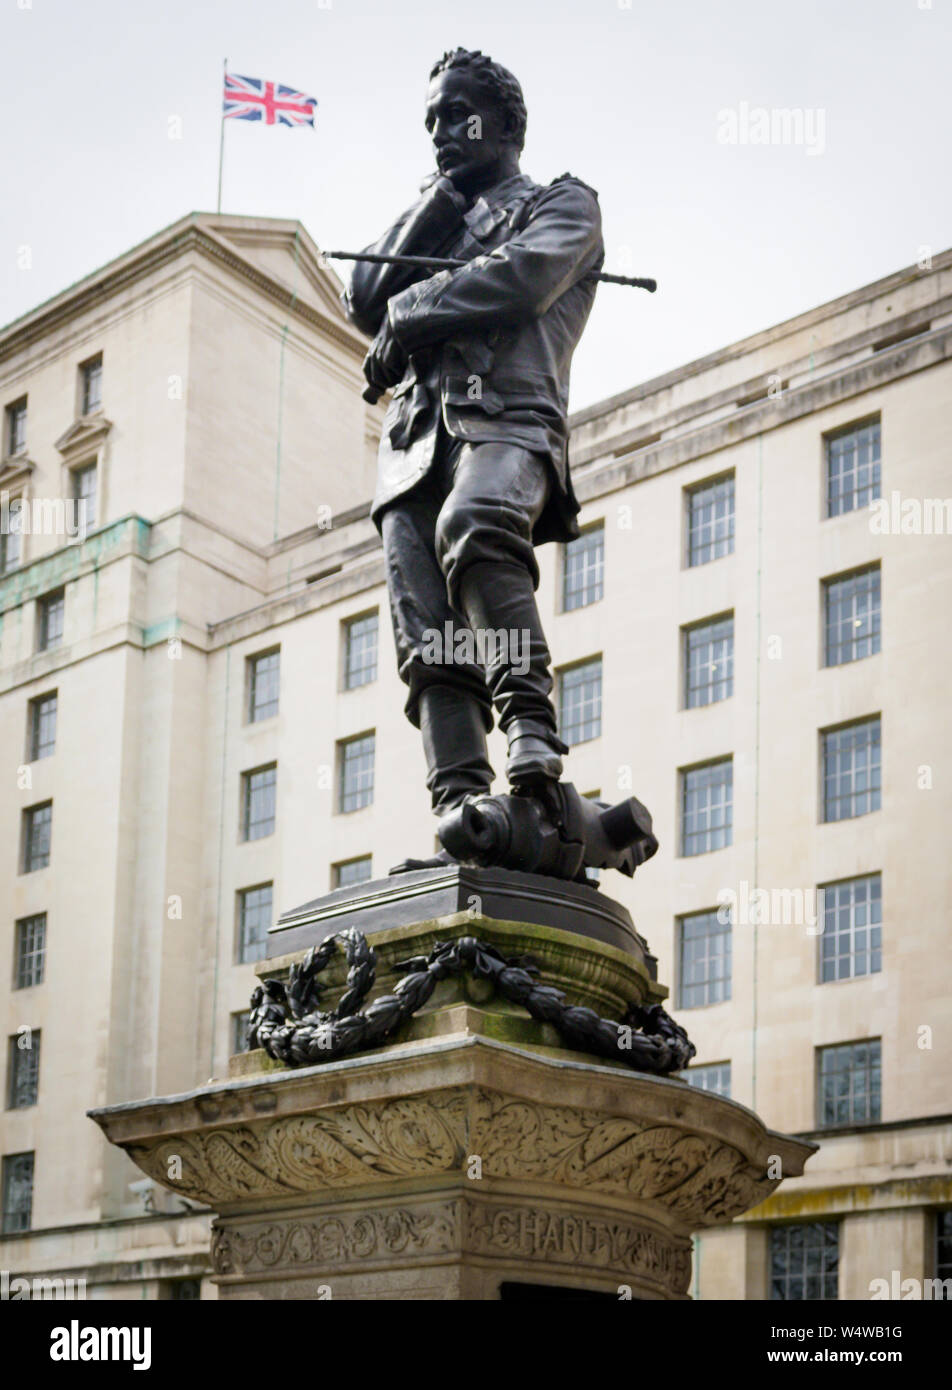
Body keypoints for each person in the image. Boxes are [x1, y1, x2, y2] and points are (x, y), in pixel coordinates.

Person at [344, 48, 604, 872]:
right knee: (428, 641)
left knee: (480, 522)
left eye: (459, 114)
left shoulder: (562, 203)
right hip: (413, 452)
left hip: (505, 424)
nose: (443, 132)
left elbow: (524, 280)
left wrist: (415, 312)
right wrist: (441, 197)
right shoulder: (440, 219)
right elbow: (361, 299)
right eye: (430, 120)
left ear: (508, 123)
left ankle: (530, 721)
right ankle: (462, 814)